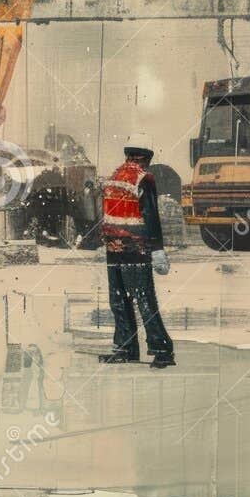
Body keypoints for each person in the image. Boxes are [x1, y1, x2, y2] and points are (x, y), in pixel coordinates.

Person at [98, 134, 175, 369]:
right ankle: (162, 350)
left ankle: (125, 348)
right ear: (147, 157)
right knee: (144, 298)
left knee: (119, 300)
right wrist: (158, 250)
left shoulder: (113, 177)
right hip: (136, 248)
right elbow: (151, 216)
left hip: (113, 247)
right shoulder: (144, 179)